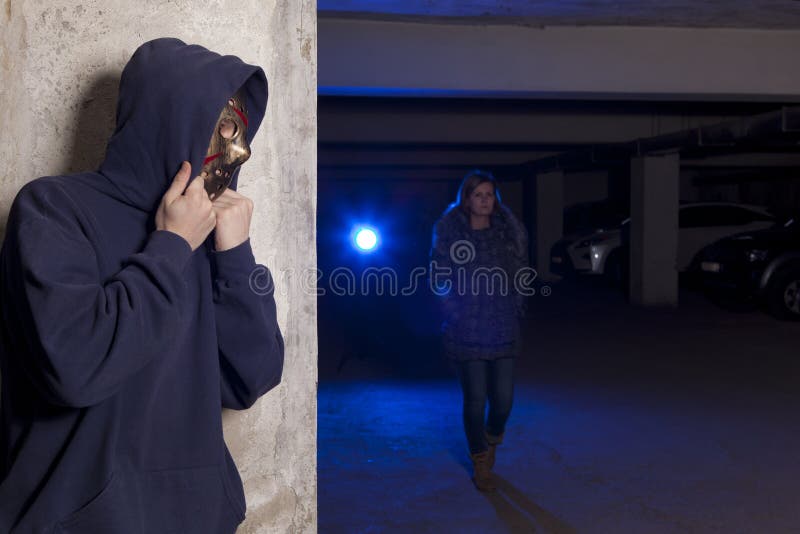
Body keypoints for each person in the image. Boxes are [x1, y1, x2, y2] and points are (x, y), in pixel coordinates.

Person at [0, 38, 284, 532]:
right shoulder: (52, 209)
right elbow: (77, 368)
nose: (240, 150)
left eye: (239, 131)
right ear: (171, 121)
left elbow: (249, 380)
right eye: (224, 127)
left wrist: (235, 256)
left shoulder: (207, 232)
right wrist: (171, 244)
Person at [429, 170, 528, 492]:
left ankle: (492, 437)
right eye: (478, 195)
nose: (485, 201)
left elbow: (520, 271)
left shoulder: (506, 233)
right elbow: (438, 275)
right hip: (466, 328)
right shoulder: (450, 233)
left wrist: (517, 306)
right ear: (467, 199)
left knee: (502, 400)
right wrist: (452, 309)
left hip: (502, 324)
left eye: (490, 195)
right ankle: (480, 459)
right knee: (475, 400)